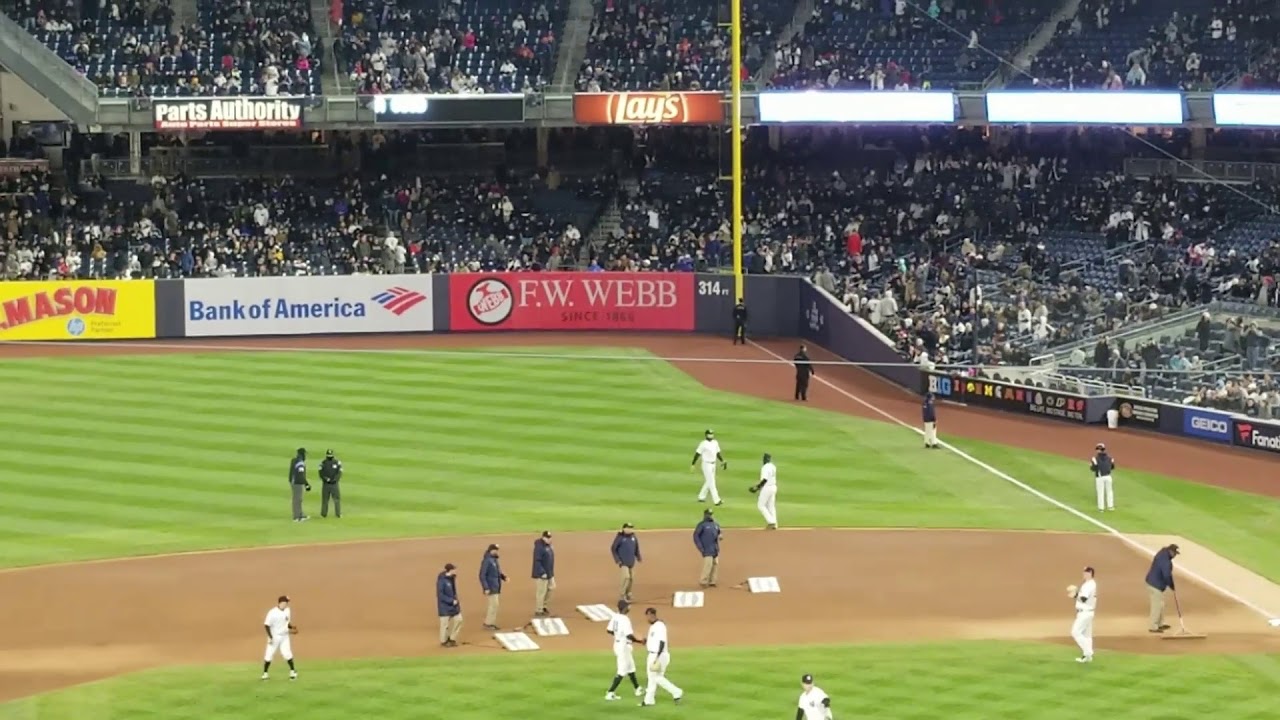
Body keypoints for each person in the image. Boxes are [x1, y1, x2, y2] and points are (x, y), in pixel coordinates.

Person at [638, 607, 683, 706]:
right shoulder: (653, 626)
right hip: (654, 654)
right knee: (653, 678)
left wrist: (657, 657)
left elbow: (662, 642)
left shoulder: (660, 626)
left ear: (651, 615)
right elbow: (654, 641)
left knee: (656, 677)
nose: (647, 619)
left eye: (647, 616)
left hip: (659, 655)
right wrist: (645, 641)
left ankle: (676, 691)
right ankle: (649, 700)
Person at [604, 600, 644, 700]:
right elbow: (629, 635)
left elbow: (609, 630)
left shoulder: (615, 617)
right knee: (622, 671)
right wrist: (640, 641)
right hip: (623, 646)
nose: (629, 608)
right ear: (624, 608)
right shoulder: (625, 619)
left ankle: (637, 688)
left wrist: (618, 635)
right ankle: (610, 692)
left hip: (617, 644)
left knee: (631, 667)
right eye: (628, 606)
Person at [261, 595, 298, 680]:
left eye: (287, 602)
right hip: (274, 637)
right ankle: (265, 673)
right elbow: (266, 625)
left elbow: (286, 622)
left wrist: (292, 627)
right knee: (269, 655)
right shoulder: (272, 612)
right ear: (281, 602)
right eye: (286, 602)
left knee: (287, 653)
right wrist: (270, 637)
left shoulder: (287, 610)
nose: (287, 604)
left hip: (284, 636)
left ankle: (292, 671)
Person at [1144, 544, 1179, 633]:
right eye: (1174, 553)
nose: (1175, 556)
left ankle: (1160, 624)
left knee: (1161, 604)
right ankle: (1153, 626)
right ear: (1171, 552)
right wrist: (1171, 585)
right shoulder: (1166, 562)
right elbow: (1167, 576)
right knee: (1157, 606)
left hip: (1153, 582)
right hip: (1154, 585)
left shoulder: (1162, 553)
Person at [1068, 566, 1097, 663]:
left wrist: (1075, 595)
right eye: (1084, 572)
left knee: (1075, 632)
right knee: (1087, 635)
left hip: (1085, 613)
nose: (1084, 574)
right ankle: (1087, 658)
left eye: (1086, 572)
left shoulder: (1089, 585)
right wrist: (1076, 592)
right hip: (1088, 612)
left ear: (1090, 574)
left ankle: (1088, 652)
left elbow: (1084, 599)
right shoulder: (1089, 584)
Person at [691, 429, 727, 505]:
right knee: (712, 482)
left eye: (712, 434)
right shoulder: (703, 444)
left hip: (713, 464)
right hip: (706, 465)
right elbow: (697, 454)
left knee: (709, 481)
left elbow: (717, 453)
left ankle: (701, 496)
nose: (711, 436)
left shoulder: (715, 443)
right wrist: (693, 464)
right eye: (709, 434)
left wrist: (722, 461)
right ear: (706, 435)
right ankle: (717, 500)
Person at [611, 523, 642, 603]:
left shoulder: (633, 537)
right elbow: (613, 549)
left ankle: (628, 593)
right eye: (628, 528)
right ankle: (622, 595)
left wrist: (638, 557)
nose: (630, 529)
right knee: (626, 577)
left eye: (631, 528)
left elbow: (636, 548)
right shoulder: (620, 537)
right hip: (623, 562)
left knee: (631, 578)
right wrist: (617, 560)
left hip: (631, 562)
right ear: (624, 529)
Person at [479, 543, 506, 630]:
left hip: (495, 586)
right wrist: (486, 588)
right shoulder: (487, 561)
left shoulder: (494, 560)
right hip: (491, 587)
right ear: (491, 550)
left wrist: (503, 577)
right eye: (495, 550)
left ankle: (491, 623)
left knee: (495, 605)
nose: (496, 551)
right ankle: (488, 623)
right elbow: (482, 575)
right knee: (493, 605)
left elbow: (497, 572)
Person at [749, 452, 778, 529]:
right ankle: (774, 523)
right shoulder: (773, 466)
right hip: (774, 487)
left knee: (761, 505)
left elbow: (764, 479)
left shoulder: (765, 467)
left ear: (764, 460)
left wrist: (757, 488)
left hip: (767, 487)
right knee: (771, 506)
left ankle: (771, 522)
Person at [693, 509, 721, 588]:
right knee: (708, 565)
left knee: (715, 564)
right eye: (708, 514)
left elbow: (719, 533)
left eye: (711, 514)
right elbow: (696, 536)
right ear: (705, 515)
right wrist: (700, 547)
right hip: (707, 548)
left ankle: (712, 581)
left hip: (715, 548)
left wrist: (720, 536)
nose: (710, 516)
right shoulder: (701, 525)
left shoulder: (715, 524)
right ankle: (703, 581)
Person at [437, 562, 462, 647]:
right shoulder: (441, 581)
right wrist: (451, 601)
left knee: (459, 620)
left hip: (453, 606)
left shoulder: (452, 579)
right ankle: (443, 641)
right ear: (450, 570)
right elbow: (440, 595)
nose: (456, 571)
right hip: (444, 606)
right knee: (444, 625)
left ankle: (452, 638)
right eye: (454, 569)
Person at [532, 531, 556, 617]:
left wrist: (551, 573)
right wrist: (542, 572)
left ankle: (544, 606)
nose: (550, 539)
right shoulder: (539, 547)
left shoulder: (548, 545)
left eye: (550, 537)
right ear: (543, 538)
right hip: (541, 574)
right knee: (541, 592)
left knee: (551, 587)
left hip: (549, 573)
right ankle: (539, 610)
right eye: (548, 538)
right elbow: (537, 561)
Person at [287, 448, 311, 522]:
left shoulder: (294, 460)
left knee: (297, 499)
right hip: (297, 483)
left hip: (293, 482)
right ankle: (297, 517)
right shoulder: (300, 463)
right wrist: (306, 484)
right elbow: (301, 476)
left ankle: (300, 514)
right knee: (297, 499)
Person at [1090, 443, 1115, 511]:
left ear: (1098, 450)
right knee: (1109, 491)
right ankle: (1111, 507)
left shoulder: (1094, 458)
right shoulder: (1110, 458)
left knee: (1100, 492)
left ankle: (1101, 508)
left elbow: (1093, 468)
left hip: (1100, 477)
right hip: (1108, 477)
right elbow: (1112, 467)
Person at [319, 449, 343, 518]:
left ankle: (338, 513)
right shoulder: (323, 463)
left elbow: (339, 472)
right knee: (325, 500)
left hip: (334, 484)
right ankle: (324, 514)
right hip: (326, 484)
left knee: (336, 499)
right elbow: (321, 473)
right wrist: (326, 479)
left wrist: (334, 479)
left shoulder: (337, 463)